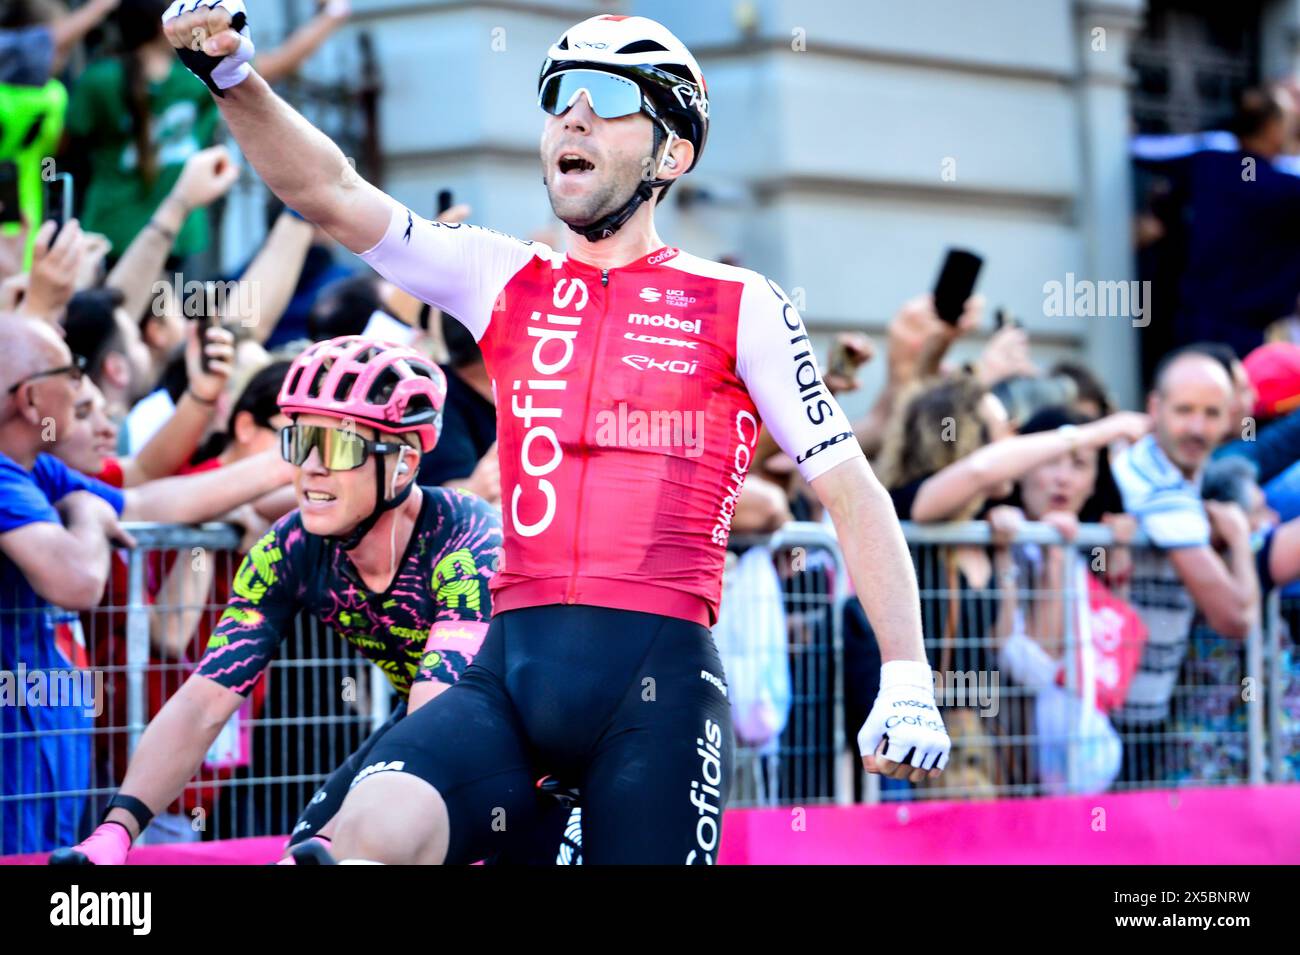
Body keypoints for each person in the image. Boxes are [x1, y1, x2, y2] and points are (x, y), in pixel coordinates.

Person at [160, 4, 953, 863]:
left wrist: (905, 671)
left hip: (659, 687)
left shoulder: (744, 302)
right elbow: (331, 193)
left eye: (609, 95)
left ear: (672, 154)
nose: (571, 114)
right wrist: (233, 76)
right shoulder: (500, 274)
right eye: (558, 94)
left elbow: (850, 490)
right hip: (509, 673)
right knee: (354, 841)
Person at [48, 336, 512, 864]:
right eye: (299, 441)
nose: (310, 467)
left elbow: (439, 720)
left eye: (338, 446)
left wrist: (338, 839)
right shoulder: (292, 547)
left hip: (538, 742)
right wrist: (115, 831)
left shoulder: (466, 540)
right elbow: (204, 700)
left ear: (403, 464)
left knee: (369, 846)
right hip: (425, 730)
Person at [1109, 348, 1262, 784]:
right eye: (1184, 411)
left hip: (1141, 708)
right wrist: (1236, 537)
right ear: (1155, 408)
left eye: (1211, 413)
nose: (1197, 427)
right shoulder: (1157, 487)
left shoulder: (1174, 473)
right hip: (1115, 718)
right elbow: (1237, 618)